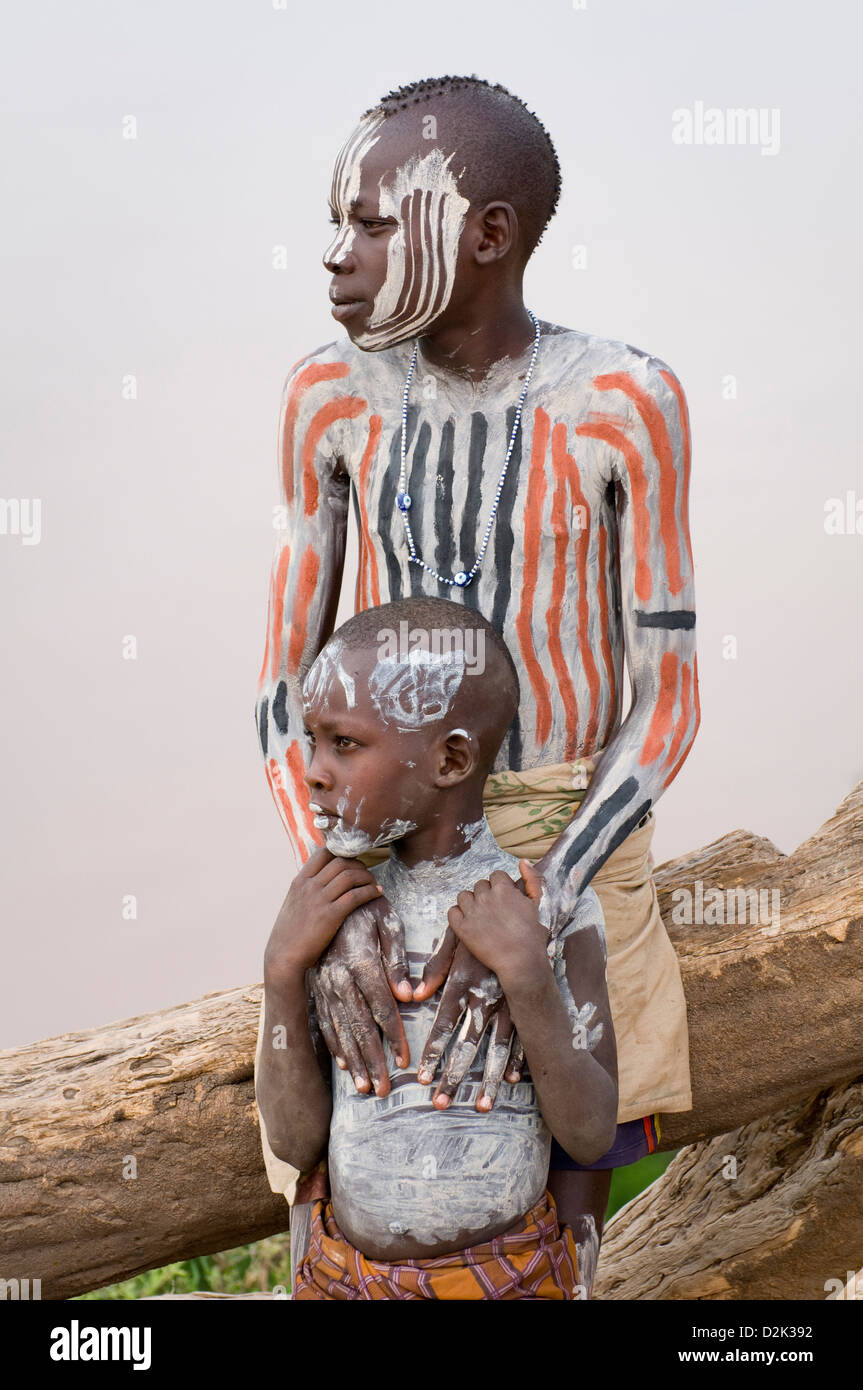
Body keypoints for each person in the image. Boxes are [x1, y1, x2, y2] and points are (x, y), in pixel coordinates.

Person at [254, 73, 699, 1287]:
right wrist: (340, 890)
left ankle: (570, 1267)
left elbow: (666, 699)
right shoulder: (327, 398)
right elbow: (278, 692)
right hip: (379, 812)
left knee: (590, 1116)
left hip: (571, 818)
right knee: (343, 1095)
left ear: (489, 235)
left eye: (375, 224)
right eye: (339, 223)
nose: (338, 257)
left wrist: (545, 901)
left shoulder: (623, 402)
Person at [255, 598, 618, 1299]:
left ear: (451, 759)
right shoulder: (331, 913)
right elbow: (294, 1145)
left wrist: (526, 978)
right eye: (311, 741)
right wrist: (280, 971)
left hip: (503, 1279)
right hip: (343, 1278)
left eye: (345, 744)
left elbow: (591, 1133)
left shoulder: (545, 912)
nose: (313, 772)